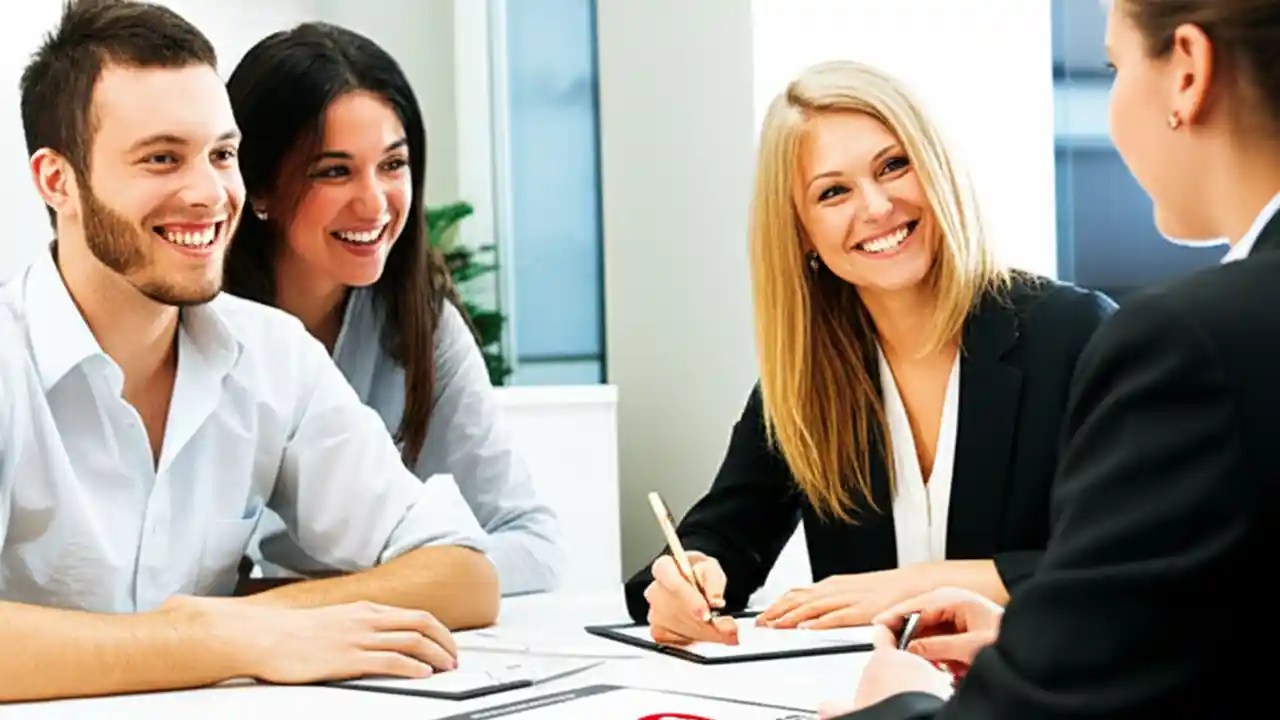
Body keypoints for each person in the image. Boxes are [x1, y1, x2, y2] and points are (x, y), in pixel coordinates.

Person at [0, 0, 499, 703]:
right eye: (162, 158)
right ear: (59, 181)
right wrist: (220, 639)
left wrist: (253, 620)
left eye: (222, 155)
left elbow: (461, 573)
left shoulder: (270, 355)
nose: (208, 193)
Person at [824, 0, 1280, 716]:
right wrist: (1049, 642)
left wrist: (901, 703)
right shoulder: (816, 373)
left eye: (1113, 66)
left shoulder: (1190, 343)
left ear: (1187, 71)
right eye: (833, 192)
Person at [624, 60, 1117, 644]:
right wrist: (692, 577)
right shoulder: (809, 375)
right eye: (833, 192)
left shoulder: (1075, 333)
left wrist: (918, 583)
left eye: (893, 166)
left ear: (934, 168)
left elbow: (1132, 559)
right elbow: (728, 534)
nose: (877, 206)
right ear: (802, 232)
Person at [219, 23, 562, 597]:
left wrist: (353, 597)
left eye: (392, 165)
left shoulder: (417, 324)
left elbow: (532, 544)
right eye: (334, 171)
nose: (375, 203)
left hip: (360, 653)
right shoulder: (197, 331)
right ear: (258, 187)